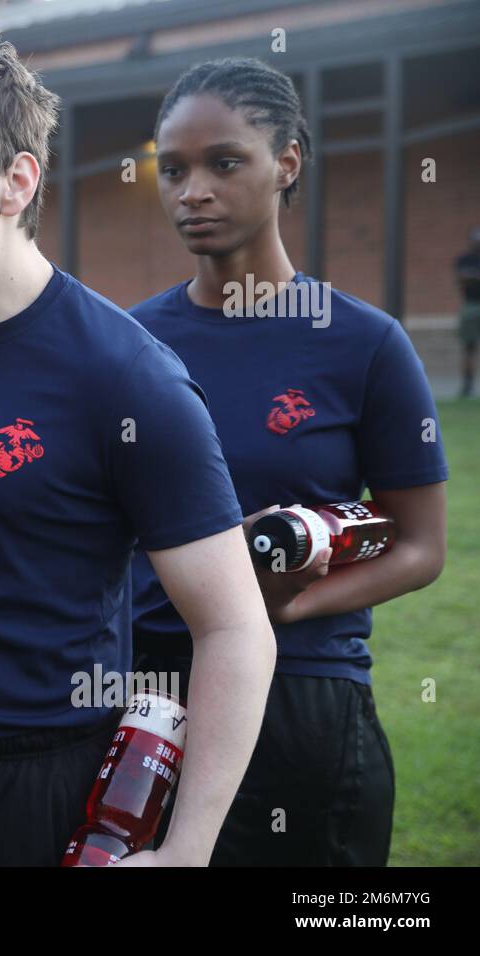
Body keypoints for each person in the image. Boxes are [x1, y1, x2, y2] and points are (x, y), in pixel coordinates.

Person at [0, 36, 276, 867]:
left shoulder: (128, 377)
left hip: (48, 789)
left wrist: (187, 850)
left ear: (16, 183)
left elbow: (236, 625)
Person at [129, 58, 449, 865]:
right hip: (147, 698)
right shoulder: (127, 346)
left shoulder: (365, 343)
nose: (191, 190)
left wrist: (274, 604)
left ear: (288, 164)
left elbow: (418, 545)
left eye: (223, 163)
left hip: (303, 695)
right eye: (173, 169)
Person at [455, 227, 480, 398]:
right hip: (471, 305)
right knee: (468, 348)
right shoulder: (464, 259)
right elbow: (461, 277)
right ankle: (467, 385)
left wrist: (474, 276)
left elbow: (468, 277)